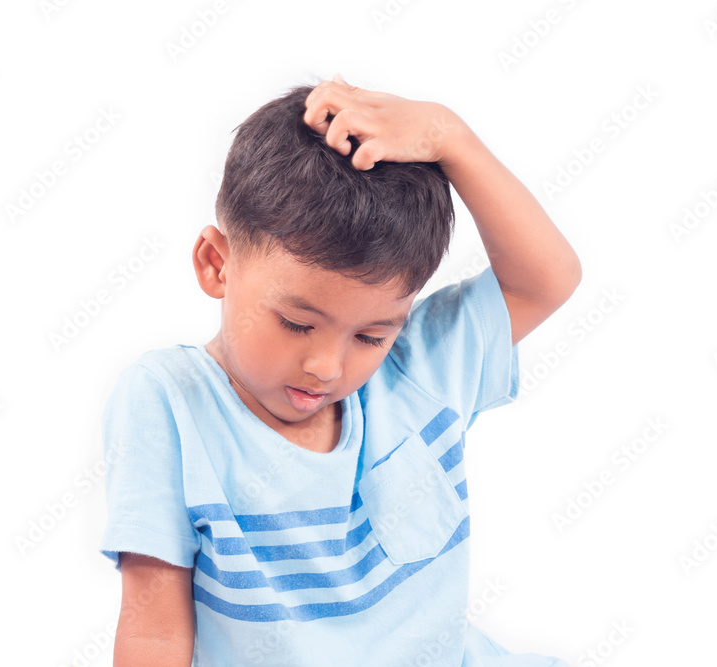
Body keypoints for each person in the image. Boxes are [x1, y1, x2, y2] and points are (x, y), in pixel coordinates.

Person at [99, 74, 581, 666]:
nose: (326, 366)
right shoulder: (169, 403)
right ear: (216, 264)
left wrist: (448, 136)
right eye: (297, 324)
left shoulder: (418, 369)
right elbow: (153, 632)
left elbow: (547, 278)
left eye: (371, 335)